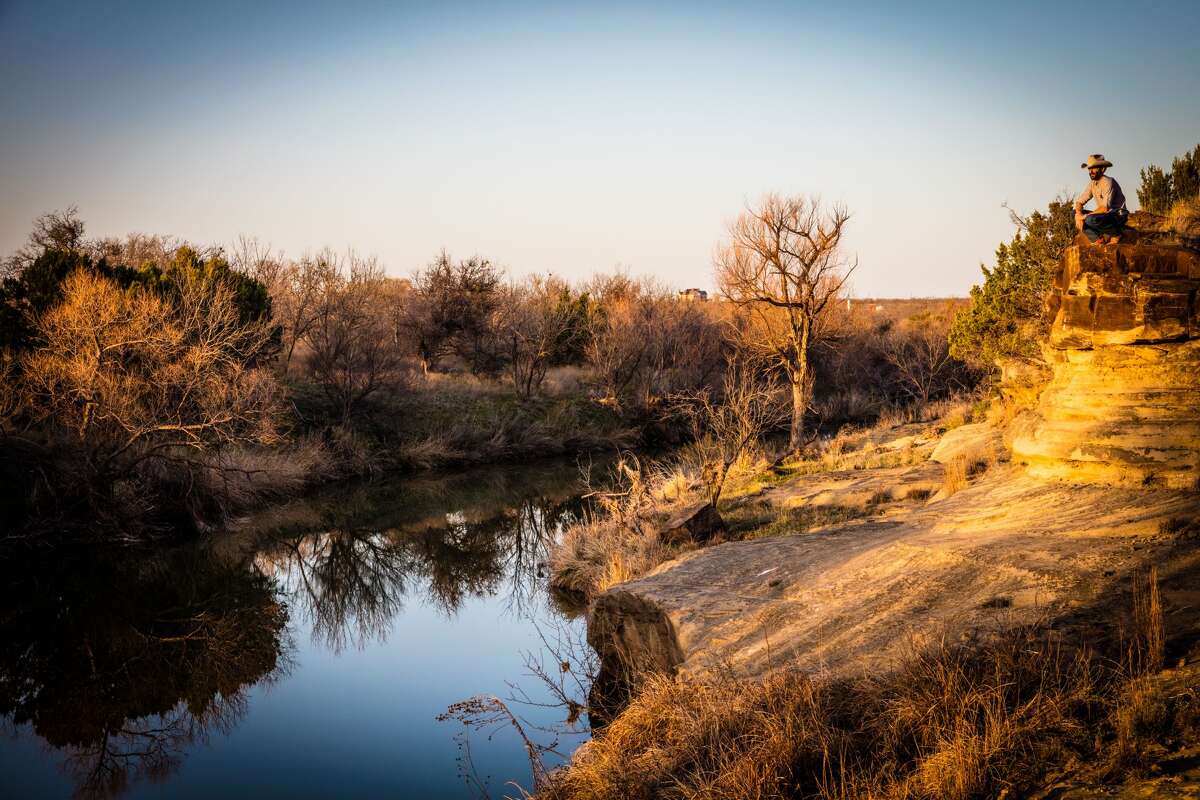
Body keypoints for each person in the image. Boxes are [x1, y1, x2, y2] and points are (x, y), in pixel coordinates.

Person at [1074, 154, 1128, 244]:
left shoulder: (1108, 182)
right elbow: (1079, 202)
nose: (1090, 171)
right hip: (1105, 215)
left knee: (1090, 219)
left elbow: (1104, 208)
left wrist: (1083, 217)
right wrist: (1078, 215)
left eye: (1093, 168)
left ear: (1102, 169)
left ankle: (1116, 234)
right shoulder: (1092, 183)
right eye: (1089, 168)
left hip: (1117, 215)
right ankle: (1097, 239)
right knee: (1073, 213)